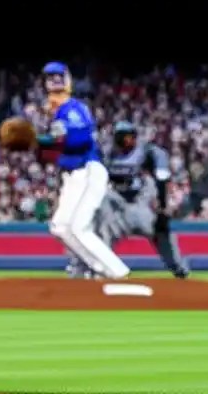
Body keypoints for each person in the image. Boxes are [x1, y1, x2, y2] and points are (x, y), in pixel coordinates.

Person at [37, 62, 130, 279]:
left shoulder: (74, 108)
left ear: (67, 80)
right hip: (72, 176)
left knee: (79, 227)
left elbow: (80, 138)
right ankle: (97, 267)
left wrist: (50, 138)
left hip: (88, 170)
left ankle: (118, 272)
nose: (54, 82)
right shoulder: (57, 114)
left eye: (58, 77)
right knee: (60, 227)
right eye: (50, 78)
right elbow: (55, 150)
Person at [67, 122, 190, 279]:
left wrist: (163, 209)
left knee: (163, 236)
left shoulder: (149, 152)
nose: (125, 141)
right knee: (95, 231)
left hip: (143, 205)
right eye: (121, 138)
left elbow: (162, 179)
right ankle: (83, 270)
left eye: (128, 137)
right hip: (117, 207)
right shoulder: (105, 153)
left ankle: (180, 271)